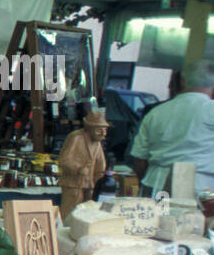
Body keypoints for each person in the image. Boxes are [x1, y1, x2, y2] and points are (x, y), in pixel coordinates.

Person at [128, 59, 214, 195]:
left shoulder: (156, 112)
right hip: (200, 189)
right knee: (189, 217)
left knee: (160, 215)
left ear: (182, 81)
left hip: (156, 185)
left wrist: (145, 181)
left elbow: (139, 158)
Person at [58, 109, 108, 217]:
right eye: (99, 130)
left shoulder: (97, 143)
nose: (103, 133)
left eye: (105, 130)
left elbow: (100, 163)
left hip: (90, 185)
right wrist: (78, 168)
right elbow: (64, 160)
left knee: (86, 214)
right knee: (69, 212)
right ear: (89, 128)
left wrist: (101, 177)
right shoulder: (76, 137)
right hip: (74, 184)